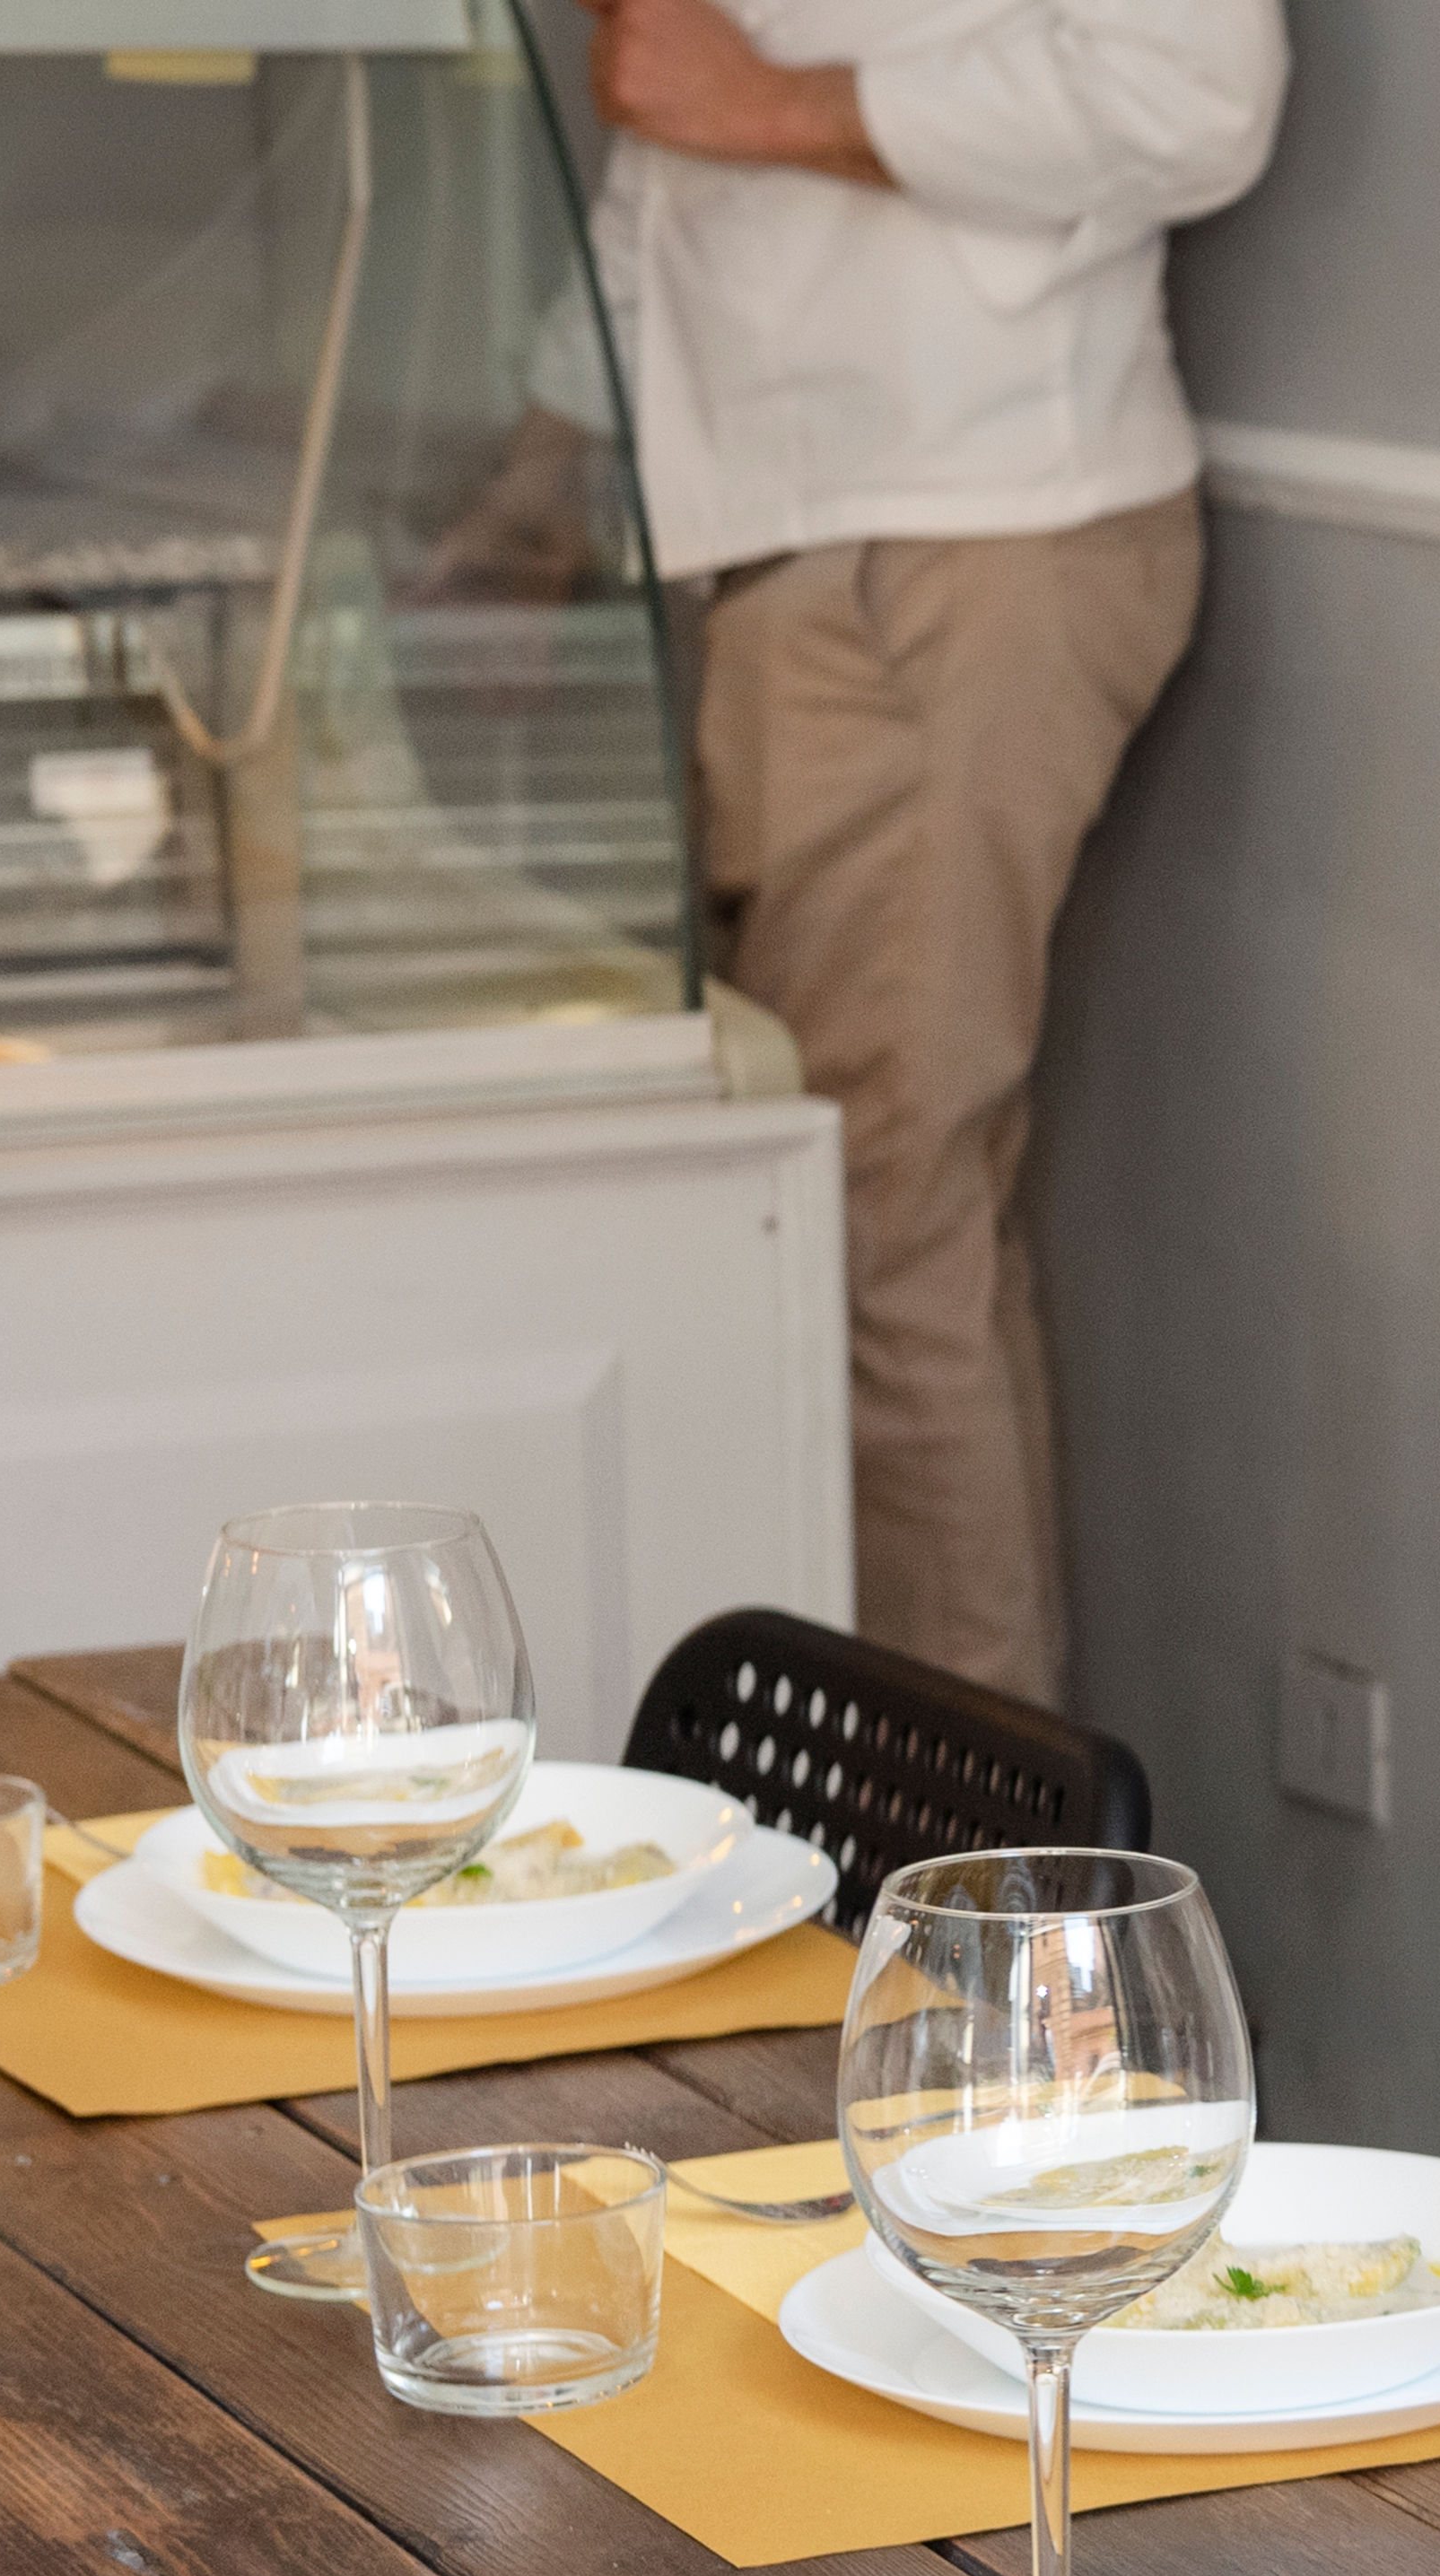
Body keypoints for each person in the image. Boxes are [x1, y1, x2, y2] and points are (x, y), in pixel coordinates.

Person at [433, 0, 1290, 1706]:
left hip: (957, 545)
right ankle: (889, 1868)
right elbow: (659, 150)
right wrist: (540, 484)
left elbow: (1201, 93)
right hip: (772, 550)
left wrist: (772, 97)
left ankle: (984, 1921)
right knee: (821, 1217)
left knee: (879, 1220)